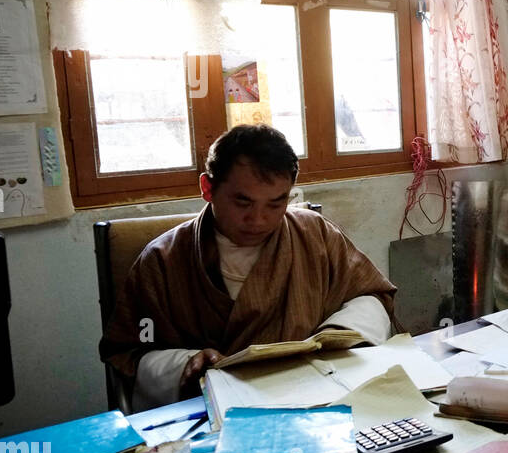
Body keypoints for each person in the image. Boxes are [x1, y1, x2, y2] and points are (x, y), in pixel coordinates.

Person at [100, 124, 399, 409]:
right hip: (208, 413)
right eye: (243, 203)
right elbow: (131, 352)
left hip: (315, 394)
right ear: (208, 187)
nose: (259, 220)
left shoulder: (315, 235)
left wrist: (337, 335)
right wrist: (184, 363)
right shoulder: (162, 260)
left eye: (275, 203)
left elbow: (371, 295)